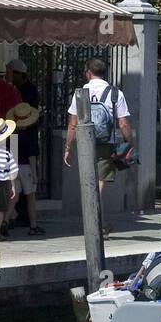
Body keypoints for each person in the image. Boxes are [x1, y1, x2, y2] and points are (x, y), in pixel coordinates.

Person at [64, 57, 133, 236]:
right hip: (106, 143)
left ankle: (97, 222)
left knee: (90, 182)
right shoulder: (115, 93)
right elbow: (124, 123)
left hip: (85, 142)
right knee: (99, 184)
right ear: (104, 73)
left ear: (88, 72)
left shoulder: (80, 92)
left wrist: (68, 147)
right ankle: (97, 224)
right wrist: (130, 144)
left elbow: (73, 124)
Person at [6, 59, 44, 236]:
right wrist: (35, 173)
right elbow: (32, 153)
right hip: (25, 165)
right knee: (29, 195)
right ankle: (32, 225)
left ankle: (6, 220)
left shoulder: (13, 134)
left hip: (14, 163)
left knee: (15, 195)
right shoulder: (27, 134)